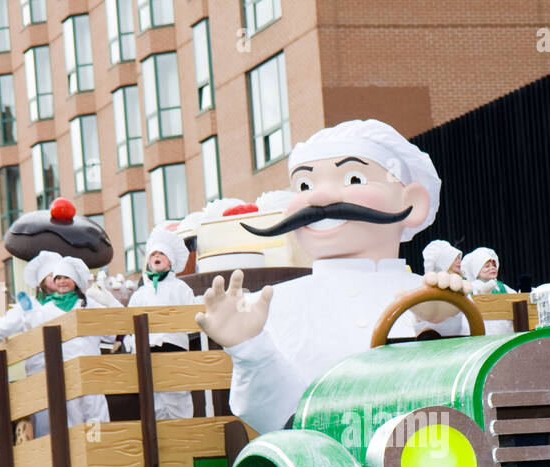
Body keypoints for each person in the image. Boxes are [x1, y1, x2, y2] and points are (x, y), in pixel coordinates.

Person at [196, 119, 468, 435]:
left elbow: (461, 398)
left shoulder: (432, 290)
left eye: (353, 178)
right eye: (304, 186)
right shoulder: (271, 304)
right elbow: (280, 421)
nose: (320, 197)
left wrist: (440, 324)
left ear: (412, 203)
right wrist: (249, 350)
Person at [0, 251, 111, 435]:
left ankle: (96, 445)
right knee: (52, 425)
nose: (59, 280)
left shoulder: (83, 303)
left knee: (90, 416)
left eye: (64, 275)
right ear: (42, 282)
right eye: (53, 276)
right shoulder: (33, 307)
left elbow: (108, 330)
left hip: (79, 371)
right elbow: (5, 324)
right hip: (43, 374)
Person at [124, 225, 198, 421]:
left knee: (177, 394)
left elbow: (191, 314)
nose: (156, 256)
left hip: (174, 348)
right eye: (153, 254)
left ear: (171, 261)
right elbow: (129, 323)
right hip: (147, 351)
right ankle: (159, 434)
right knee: (153, 398)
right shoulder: (140, 294)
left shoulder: (180, 288)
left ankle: (183, 432)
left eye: (162, 254)